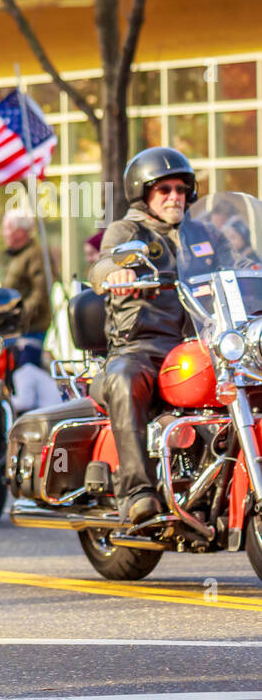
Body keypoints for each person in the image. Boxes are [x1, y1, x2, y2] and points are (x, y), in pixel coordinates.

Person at [87, 147, 226, 525]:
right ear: (144, 194)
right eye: (163, 190)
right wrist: (116, 272)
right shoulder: (128, 231)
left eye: (181, 189)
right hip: (143, 347)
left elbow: (241, 264)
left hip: (206, 345)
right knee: (124, 378)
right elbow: (103, 264)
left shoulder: (205, 234)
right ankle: (136, 491)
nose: (174, 197)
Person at [0, 207, 52, 346]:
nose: (4, 234)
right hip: (15, 328)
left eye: (7, 229)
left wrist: (19, 315)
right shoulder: (17, 255)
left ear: (21, 232)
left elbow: (40, 292)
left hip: (31, 329)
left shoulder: (35, 255)